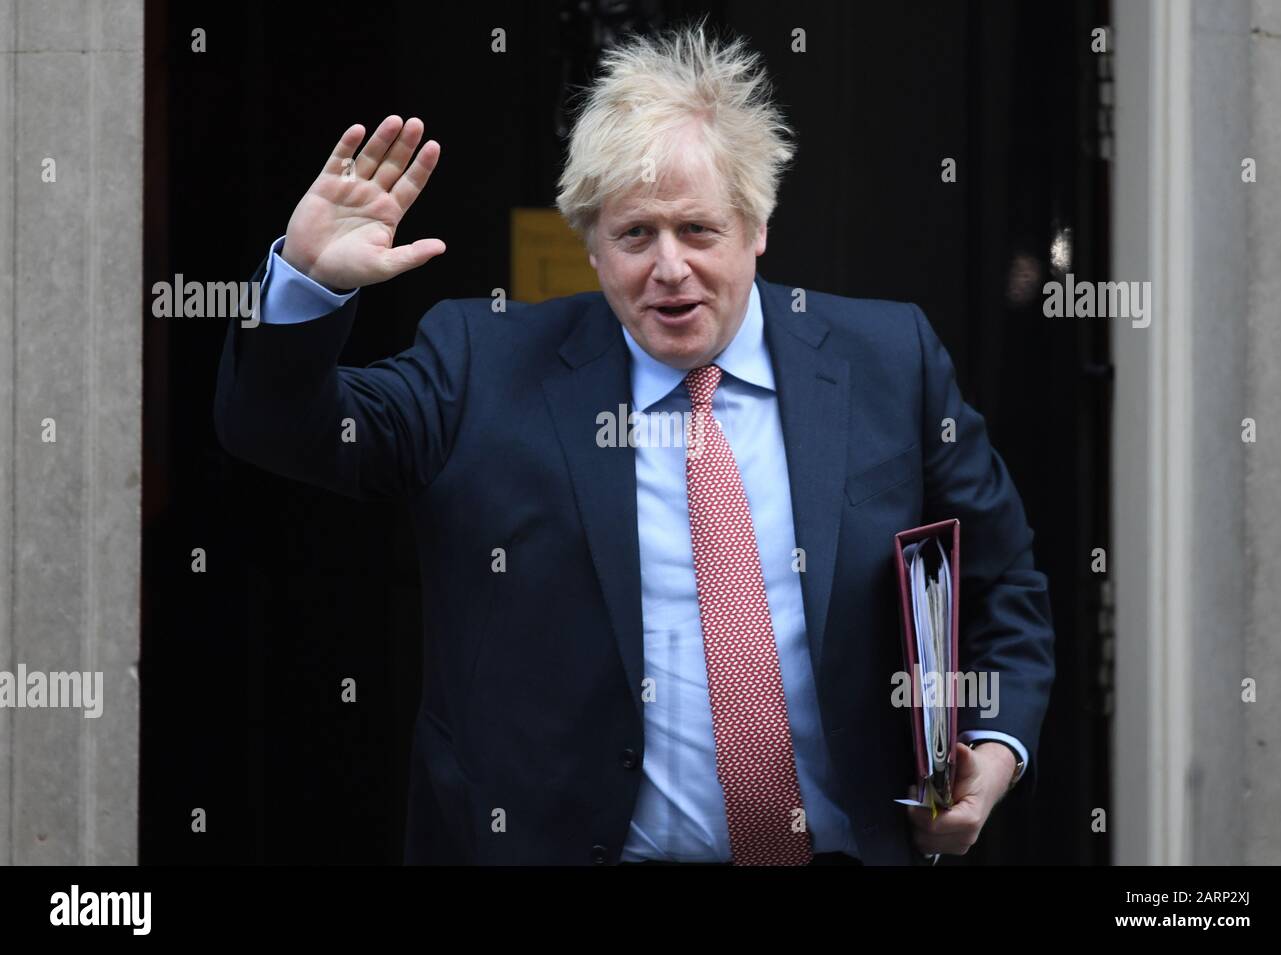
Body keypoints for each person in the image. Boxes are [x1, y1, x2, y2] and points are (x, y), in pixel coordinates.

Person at [213, 25, 1054, 865]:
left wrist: (994, 747)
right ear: (589, 242)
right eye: (635, 234)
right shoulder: (485, 364)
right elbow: (285, 431)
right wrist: (308, 285)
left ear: (757, 225)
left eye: (699, 229)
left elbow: (1000, 579)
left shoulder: (886, 361)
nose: (670, 267)